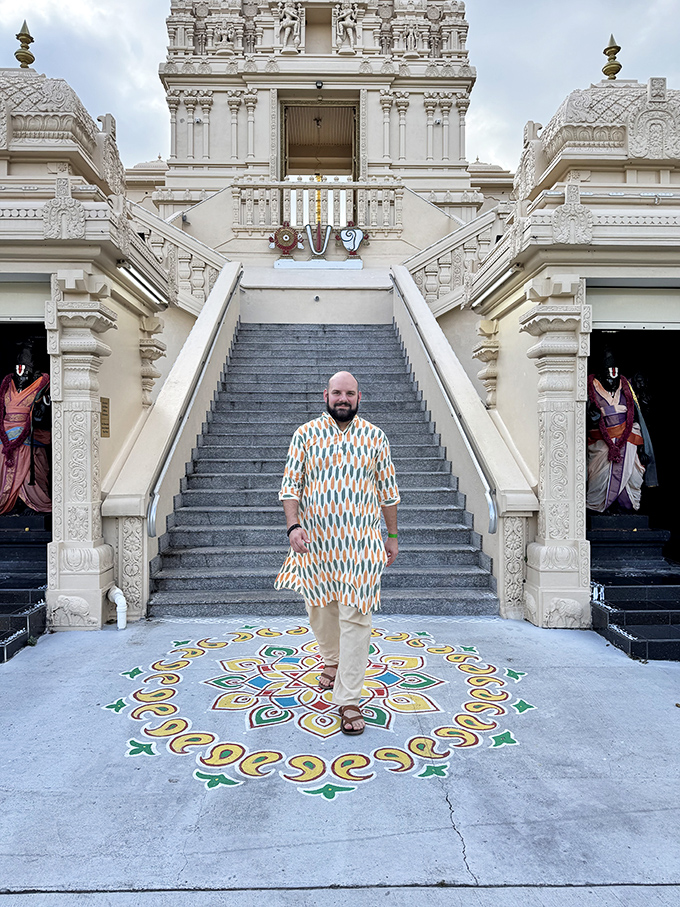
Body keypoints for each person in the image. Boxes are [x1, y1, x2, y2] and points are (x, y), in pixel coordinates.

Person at [275, 371, 399, 735]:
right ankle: (331, 659)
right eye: (336, 393)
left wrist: (391, 535)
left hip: (361, 544)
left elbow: (388, 492)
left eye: (349, 393)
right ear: (325, 395)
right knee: (320, 608)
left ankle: (348, 698)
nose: (342, 399)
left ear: (359, 397)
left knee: (357, 617)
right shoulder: (306, 435)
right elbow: (290, 486)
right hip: (316, 543)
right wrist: (293, 526)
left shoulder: (375, 438)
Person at [586, 349, 656, 513]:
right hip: (601, 446)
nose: (612, 381)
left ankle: (625, 508)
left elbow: (637, 419)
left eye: (615, 378)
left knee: (633, 476)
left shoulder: (627, 389)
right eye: (608, 377)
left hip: (628, 443)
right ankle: (600, 509)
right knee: (599, 477)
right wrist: (592, 418)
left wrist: (640, 446)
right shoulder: (590, 389)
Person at [0, 339, 51, 514]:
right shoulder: (7, 387)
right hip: (6, 440)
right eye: (18, 370)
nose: (21, 374)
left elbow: (45, 413)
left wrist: (41, 411)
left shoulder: (43, 386)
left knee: (34, 473)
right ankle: (12, 503)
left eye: (24, 370)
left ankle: (32, 503)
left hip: (31, 438)